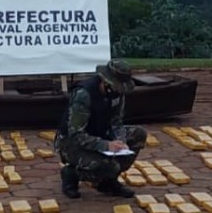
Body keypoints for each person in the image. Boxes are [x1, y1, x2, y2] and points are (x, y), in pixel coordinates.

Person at [54, 59, 148, 199]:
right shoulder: (84, 95)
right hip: (71, 143)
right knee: (108, 165)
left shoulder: (118, 93)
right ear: (105, 82)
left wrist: (120, 140)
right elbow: (76, 134)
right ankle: (72, 174)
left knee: (138, 134)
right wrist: (106, 145)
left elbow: (116, 122)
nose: (118, 91)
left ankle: (107, 182)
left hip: (100, 134)